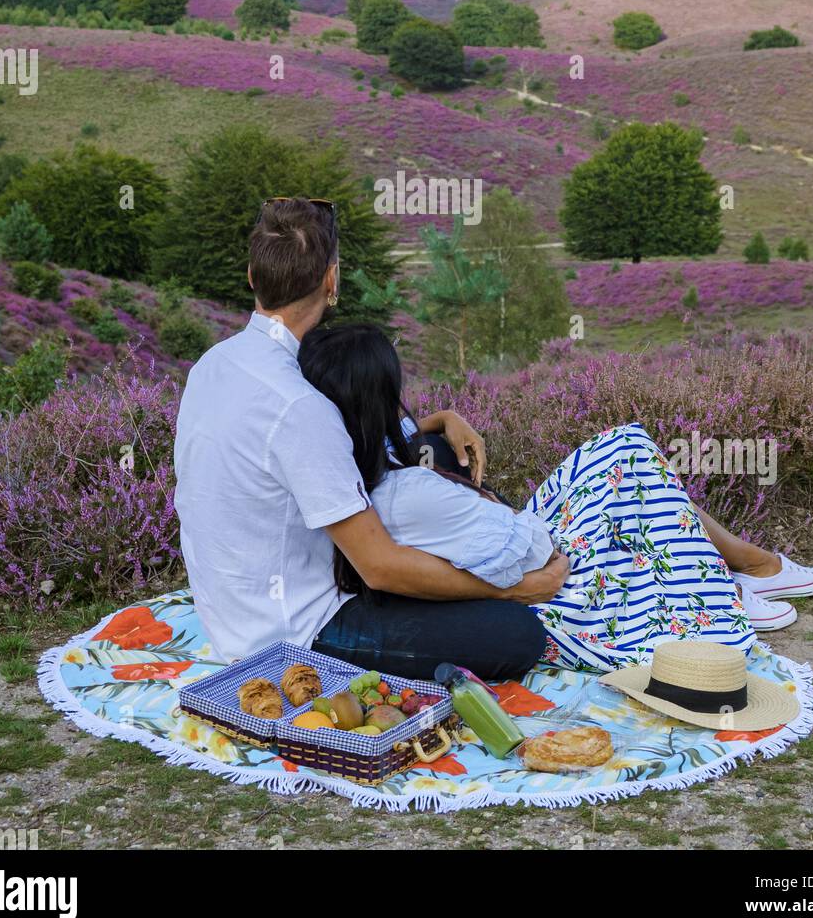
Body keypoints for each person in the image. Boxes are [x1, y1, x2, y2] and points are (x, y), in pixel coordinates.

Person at [297, 322, 813, 672]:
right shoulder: (399, 492)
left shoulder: (352, 437)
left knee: (628, 451)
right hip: (533, 568)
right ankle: (720, 580)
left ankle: (733, 568)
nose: (403, 402)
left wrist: (446, 419)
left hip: (507, 537)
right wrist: (502, 526)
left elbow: (408, 431)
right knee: (630, 478)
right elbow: (519, 552)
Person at [174, 197, 562, 681]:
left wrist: (439, 420)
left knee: (435, 453)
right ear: (331, 281)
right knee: (517, 635)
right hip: (293, 628)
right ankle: (498, 563)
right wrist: (510, 588)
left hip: (228, 603)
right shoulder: (299, 406)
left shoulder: (214, 363)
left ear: (253, 275)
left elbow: (347, 443)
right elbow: (379, 567)